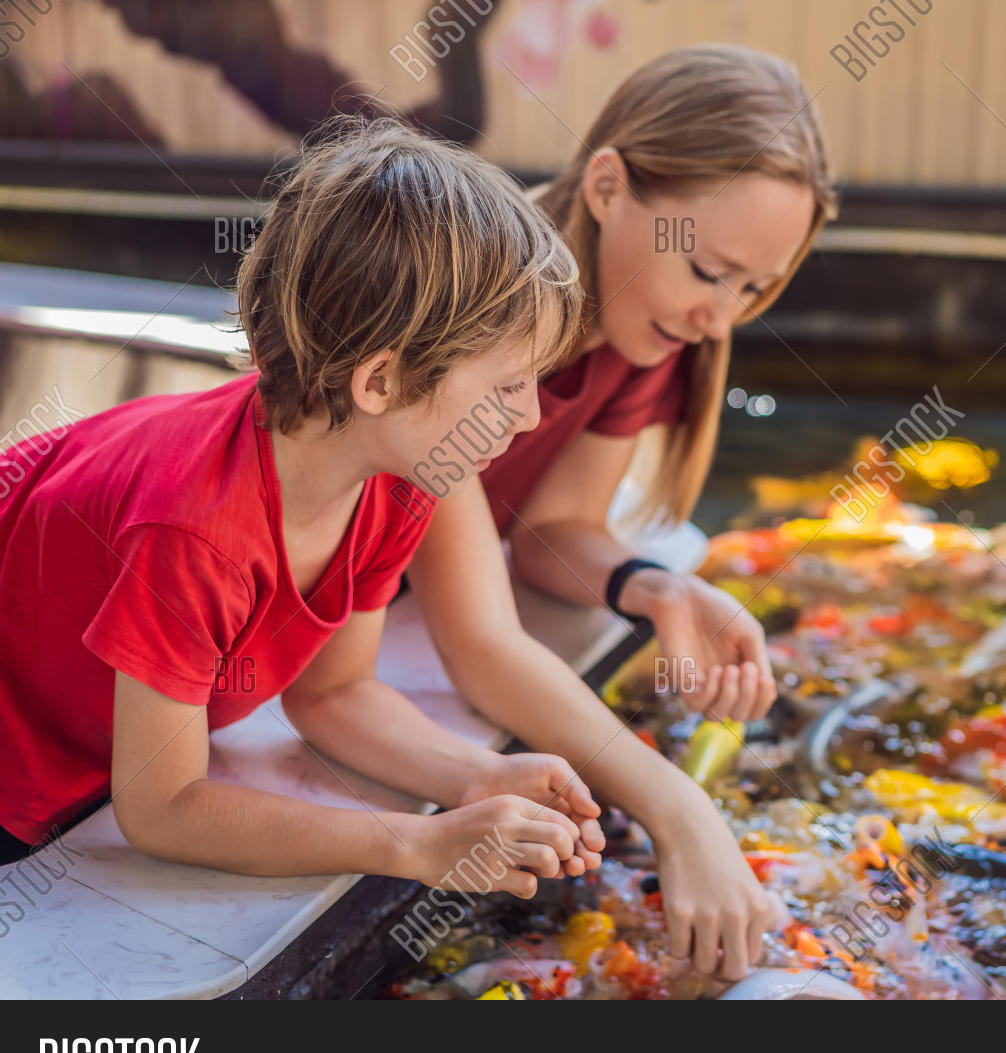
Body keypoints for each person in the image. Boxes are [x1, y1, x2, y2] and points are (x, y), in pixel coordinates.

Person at [0, 116, 605, 895]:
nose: (531, 416)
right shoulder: (195, 533)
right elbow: (162, 807)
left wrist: (476, 777)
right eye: (508, 386)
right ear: (379, 382)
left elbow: (332, 692)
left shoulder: (399, 479)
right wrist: (418, 845)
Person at [406, 44, 836, 980]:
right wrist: (681, 811)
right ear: (607, 187)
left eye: (753, 288)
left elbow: (551, 529)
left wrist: (659, 590)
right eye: (710, 269)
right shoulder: (466, 321)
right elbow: (480, 648)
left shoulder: (641, 332)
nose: (721, 318)